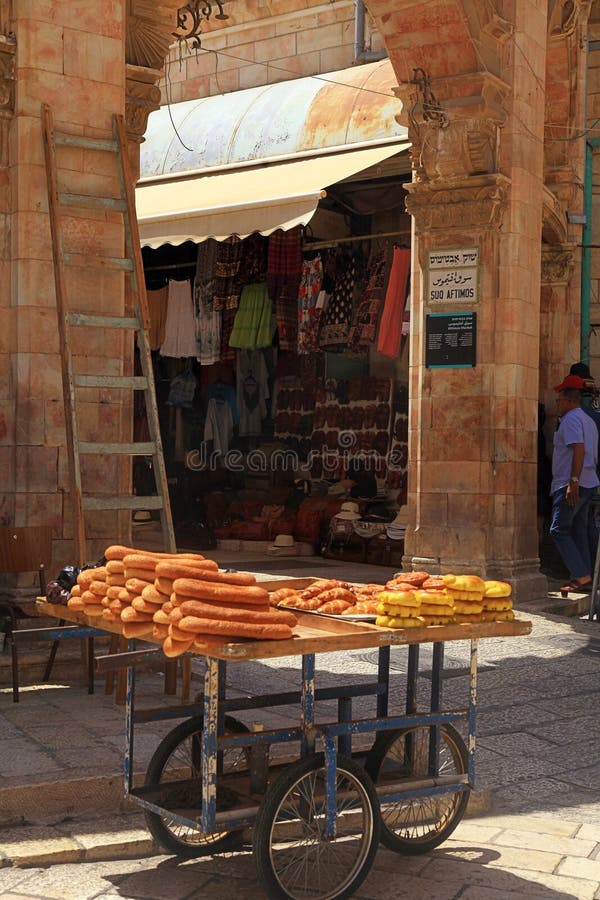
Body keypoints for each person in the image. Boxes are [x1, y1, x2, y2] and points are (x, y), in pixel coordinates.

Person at [550, 374, 600, 593]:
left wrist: (573, 481)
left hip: (572, 484)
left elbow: (578, 449)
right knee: (578, 529)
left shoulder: (570, 419)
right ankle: (583, 577)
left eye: (559, 400)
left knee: (558, 529)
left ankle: (581, 574)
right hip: (589, 482)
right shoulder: (588, 419)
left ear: (569, 400)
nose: (557, 405)